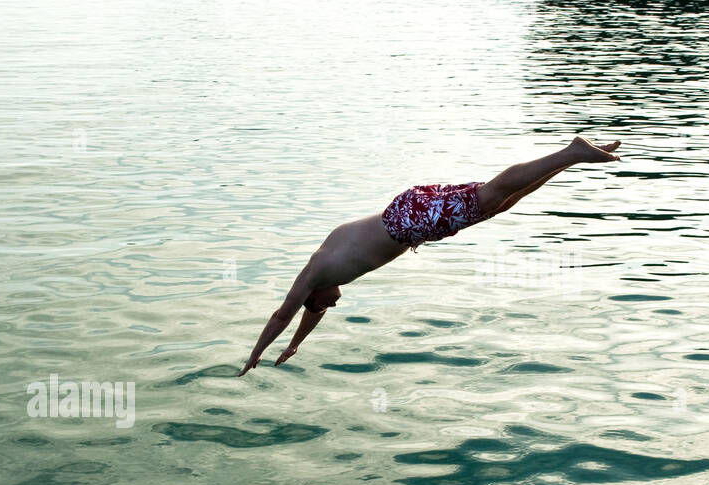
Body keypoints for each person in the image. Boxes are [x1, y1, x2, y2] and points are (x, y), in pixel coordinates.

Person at [237, 137, 622, 376]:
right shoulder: (323, 273)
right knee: (496, 206)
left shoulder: (315, 274)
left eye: (323, 305)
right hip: (408, 213)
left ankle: (571, 151)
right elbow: (308, 315)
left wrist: (255, 354)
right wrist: (296, 345)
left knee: (488, 196)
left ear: (314, 294)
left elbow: (283, 314)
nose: (331, 305)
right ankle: (571, 159)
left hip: (407, 223)